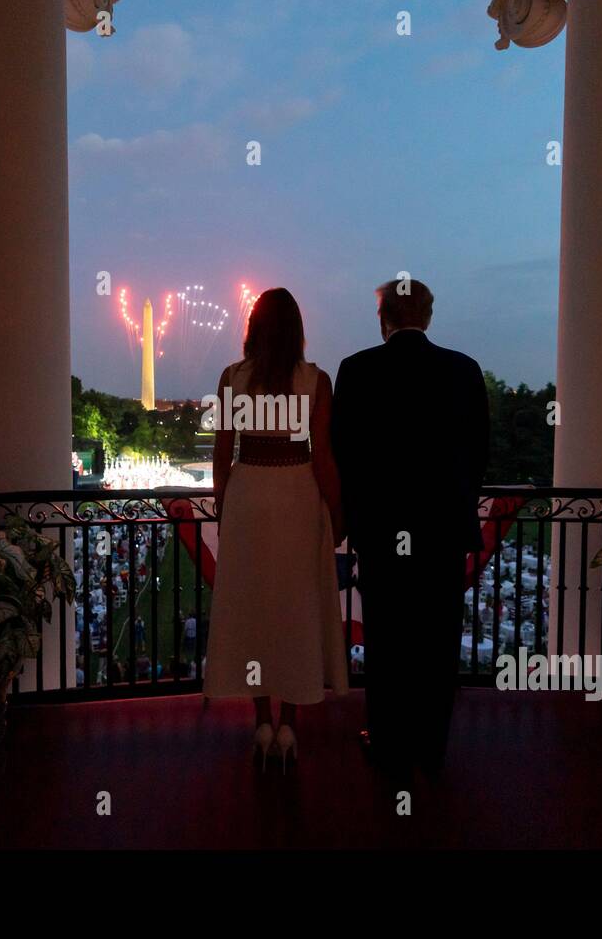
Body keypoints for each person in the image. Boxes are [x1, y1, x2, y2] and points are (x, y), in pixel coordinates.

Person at [331, 278, 489, 777]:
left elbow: (344, 454)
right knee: (437, 640)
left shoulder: (357, 371)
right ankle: (431, 743)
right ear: (428, 315)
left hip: (381, 531)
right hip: (442, 532)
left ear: (384, 319)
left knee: (387, 639)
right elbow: (478, 453)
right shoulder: (463, 371)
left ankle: (388, 739)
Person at [202, 287, 349, 772]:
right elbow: (324, 458)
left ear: (254, 328)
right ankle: (289, 724)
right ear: (297, 330)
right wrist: (338, 512)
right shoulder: (315, 381)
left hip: (248, 498)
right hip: (296, 497)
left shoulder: (232, 378)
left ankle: (261, 721)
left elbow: (223, 452)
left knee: (256, 609)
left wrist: (226, 509)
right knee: (296, 610)